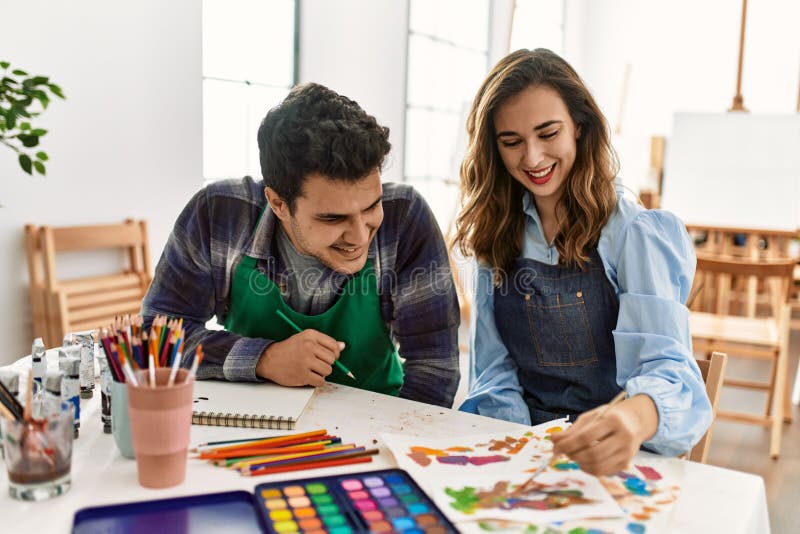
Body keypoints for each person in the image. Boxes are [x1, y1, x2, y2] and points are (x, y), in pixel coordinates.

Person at [454, 49, 711, 474]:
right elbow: (495, 373)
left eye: (548, 133)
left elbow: (670, 371)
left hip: (615, 456)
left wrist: (631, 417)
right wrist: (518, 453)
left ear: (580, 126)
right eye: (512, 142)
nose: (533, 158)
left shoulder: (633, 232)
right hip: (525, 453)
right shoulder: (496, 232)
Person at [142, 83, 460, 408]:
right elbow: (157, 337)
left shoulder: (405, 218)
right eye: (333, 219)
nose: (360, 237)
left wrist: (394, 445)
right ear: (278, 204)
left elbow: (436, 369)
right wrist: (264, 358)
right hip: (251, 422)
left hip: (377, 425)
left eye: (370, 208)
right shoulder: (217, 213)